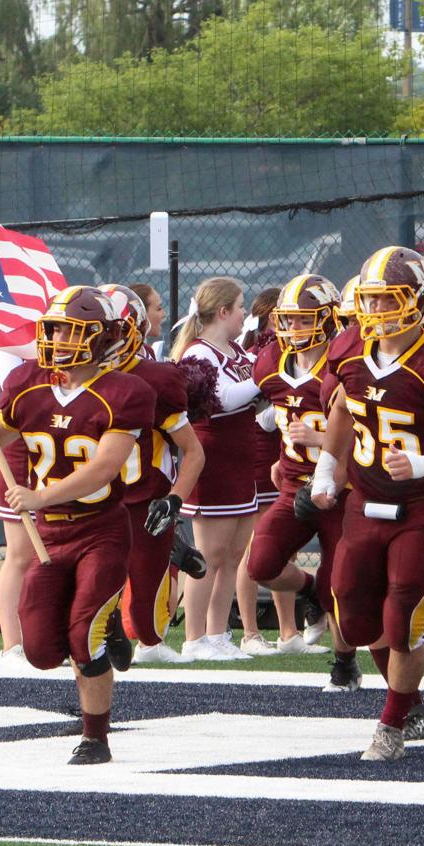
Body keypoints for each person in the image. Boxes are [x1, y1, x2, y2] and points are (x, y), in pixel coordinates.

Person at [311, 245, 424, 761]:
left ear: (417, 301)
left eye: (388, 300)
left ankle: (393, 724)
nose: (376, 313)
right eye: (369, 301)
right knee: (352, 619)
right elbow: (344, 411)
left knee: (402, 622)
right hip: (365, 498)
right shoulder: (349, 349)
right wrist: (327, 469)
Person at [0, 285, 155, 764]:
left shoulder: (126, 392)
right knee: (43, 650)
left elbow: (104, 468)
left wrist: (40, 495)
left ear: (101, 337)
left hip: (100, 529)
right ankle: (96, 630)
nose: (59, 339)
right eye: (55, 329)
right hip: (49, 535)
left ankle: (96, 738)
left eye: (71, 330)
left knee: (81, 635)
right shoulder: (29, 382)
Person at [249, 274, 363, 688]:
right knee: (260, 564)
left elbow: (366, 431)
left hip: (341, 487)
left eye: (303, 320)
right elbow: (277, 417)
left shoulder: (342, 363)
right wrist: (285, 458)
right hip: (294, 484)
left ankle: (345, 660)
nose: (294, 329)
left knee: (340, 584)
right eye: (289, 320)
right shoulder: (271, 362)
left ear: (329, 317)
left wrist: (320, 441)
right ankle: (310, 591)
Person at [94, 285, 207, 666]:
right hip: (92, 501)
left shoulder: (156, 378)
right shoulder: (67, 379)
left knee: (148, 623)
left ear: (134, 332)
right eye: (96, 332)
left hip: (145, 498)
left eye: (112, 332)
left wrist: (174, 500)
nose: (103, 343)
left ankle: (172, 553)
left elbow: (193, 450)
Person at [170, 277, 261, 661]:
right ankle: (194, 639)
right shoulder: (199, 353)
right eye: (241, 306)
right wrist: (267, 376)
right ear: (223, 312)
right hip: (213, 458)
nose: (245, 314)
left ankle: (219, 634)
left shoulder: (238, 351)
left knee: (234, 554)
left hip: (242, 454)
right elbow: (223, 399)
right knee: (209, 554)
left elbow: (254, 396)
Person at [0, 349, 33, 670]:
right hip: (22, 447)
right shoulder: (9, 341)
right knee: (20, 553)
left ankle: (47, 638)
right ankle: (12, 646)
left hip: (62, 444)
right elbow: (17, 392)